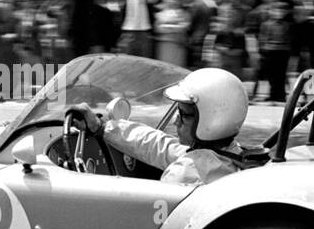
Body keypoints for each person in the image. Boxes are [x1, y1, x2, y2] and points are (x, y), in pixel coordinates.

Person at [68, 68, 250, 186]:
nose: (176, 121)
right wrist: (101, 127)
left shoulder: (187, 174)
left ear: (211, 119)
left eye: (184, 114)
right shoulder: (228, 155)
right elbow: (159, 145)